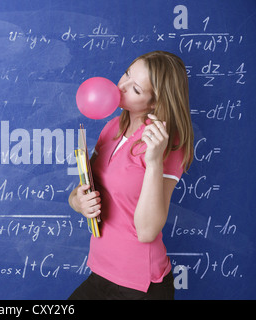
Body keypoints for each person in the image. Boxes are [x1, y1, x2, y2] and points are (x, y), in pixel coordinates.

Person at [68, 51, 194, 300]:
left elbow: (147, 231)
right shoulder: (113, 127)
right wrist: (78, 202)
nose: (120, 87)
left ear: (154, 103)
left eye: (135, 89)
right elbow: (81, 189)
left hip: (139, 286)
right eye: (126, 74)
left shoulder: (168, 145)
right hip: (100, 271)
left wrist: (155, 161)